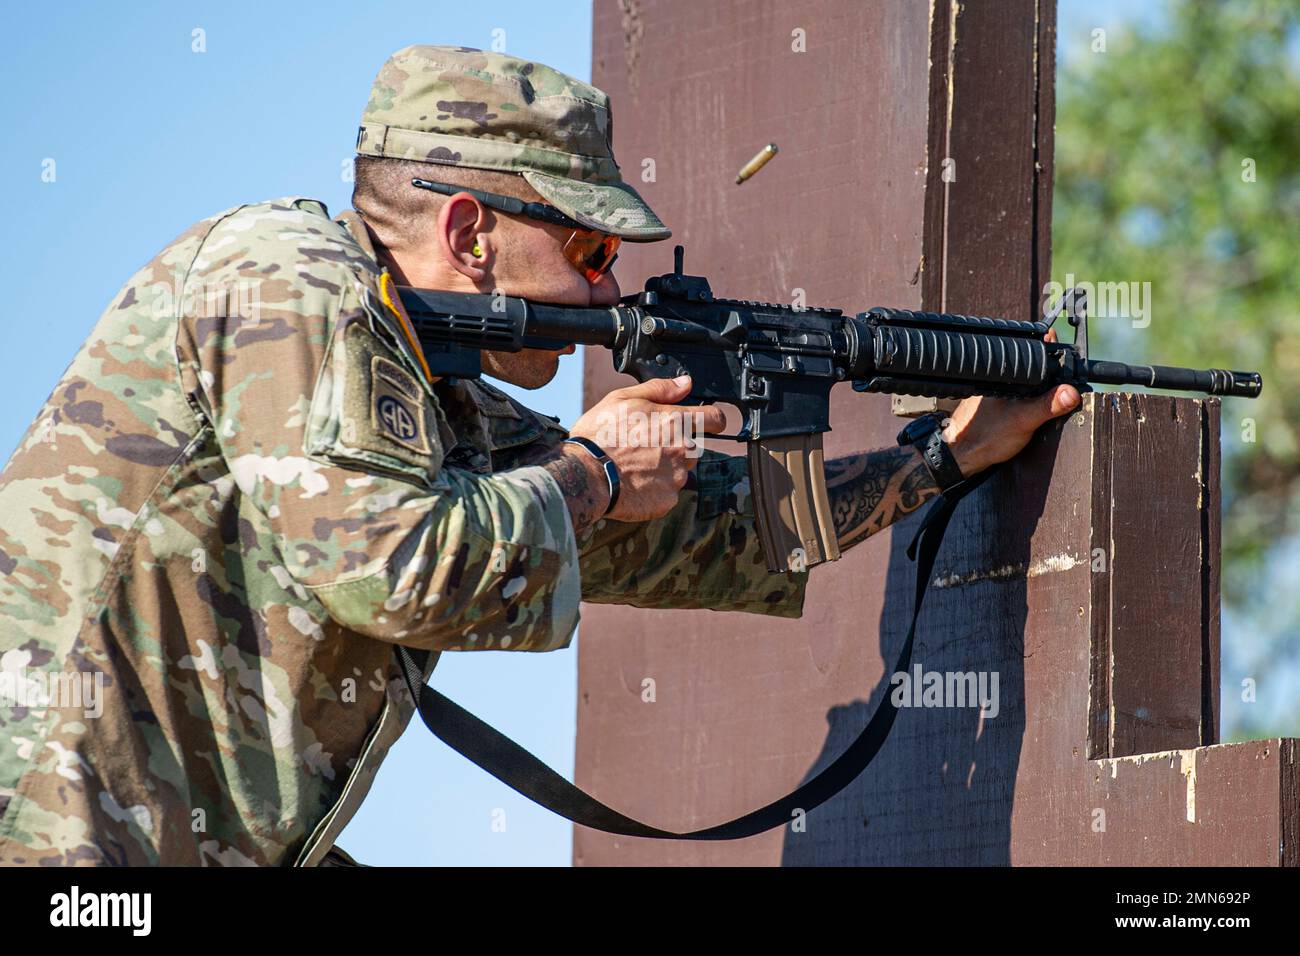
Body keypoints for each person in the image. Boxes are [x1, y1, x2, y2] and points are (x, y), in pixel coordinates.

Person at [0, 45, 1079, 866]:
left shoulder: (434, 386)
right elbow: (397, 570)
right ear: (469, 232)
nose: (607, 290)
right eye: (589, 249)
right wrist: (591, 474)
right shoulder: (285, 278)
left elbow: (718, 537)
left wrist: (940, 455)